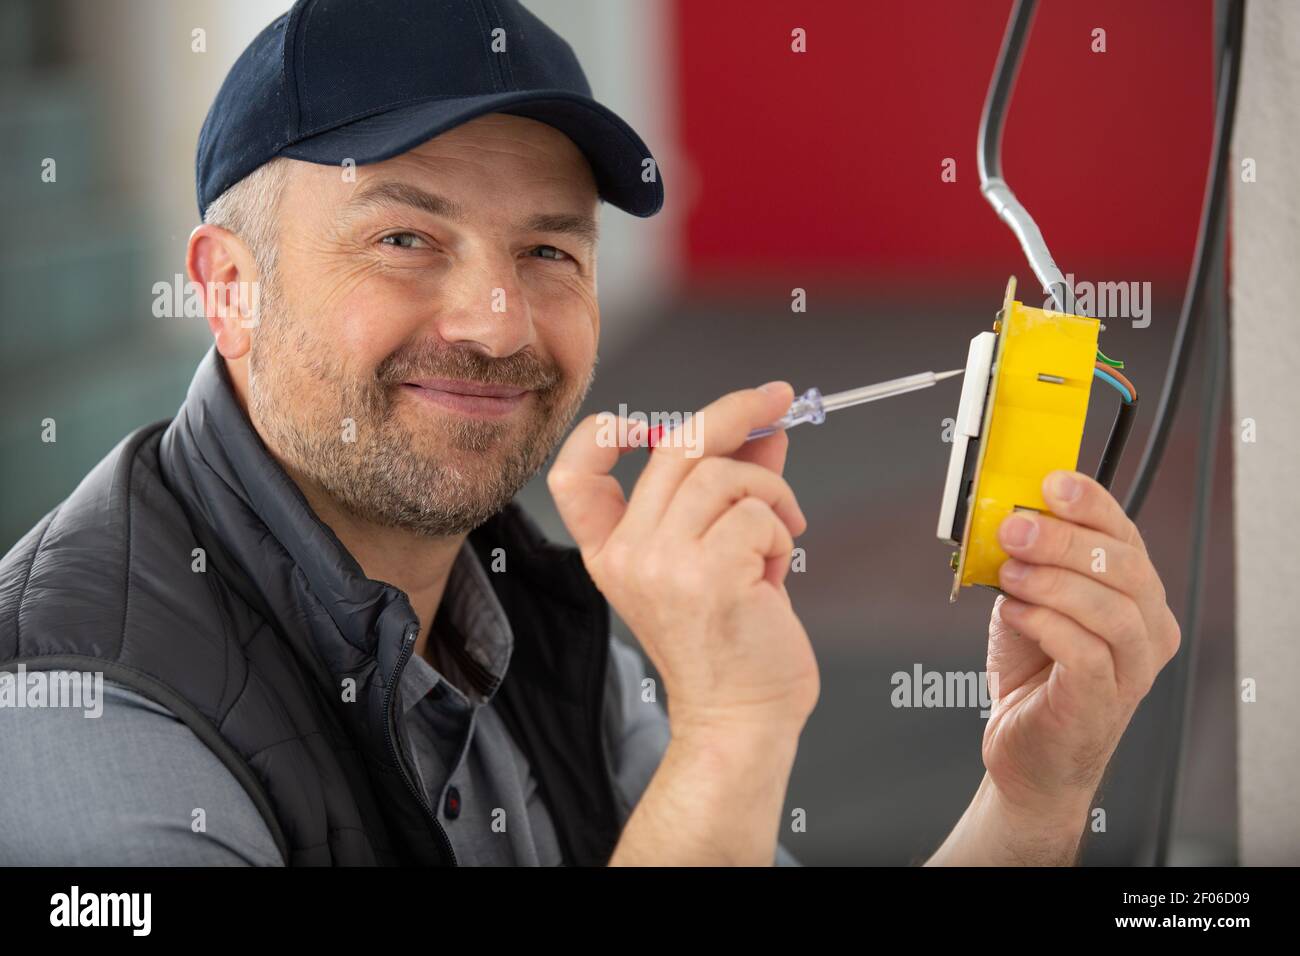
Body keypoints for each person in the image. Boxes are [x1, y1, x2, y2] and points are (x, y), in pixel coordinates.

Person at [0, 0, 1179, 866]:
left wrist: (1031, 793)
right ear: (228, 286)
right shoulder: (77, 721)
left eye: (548, 250)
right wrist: (723, 738)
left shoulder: (529, 613)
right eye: (405, 238)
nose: (497, 321)